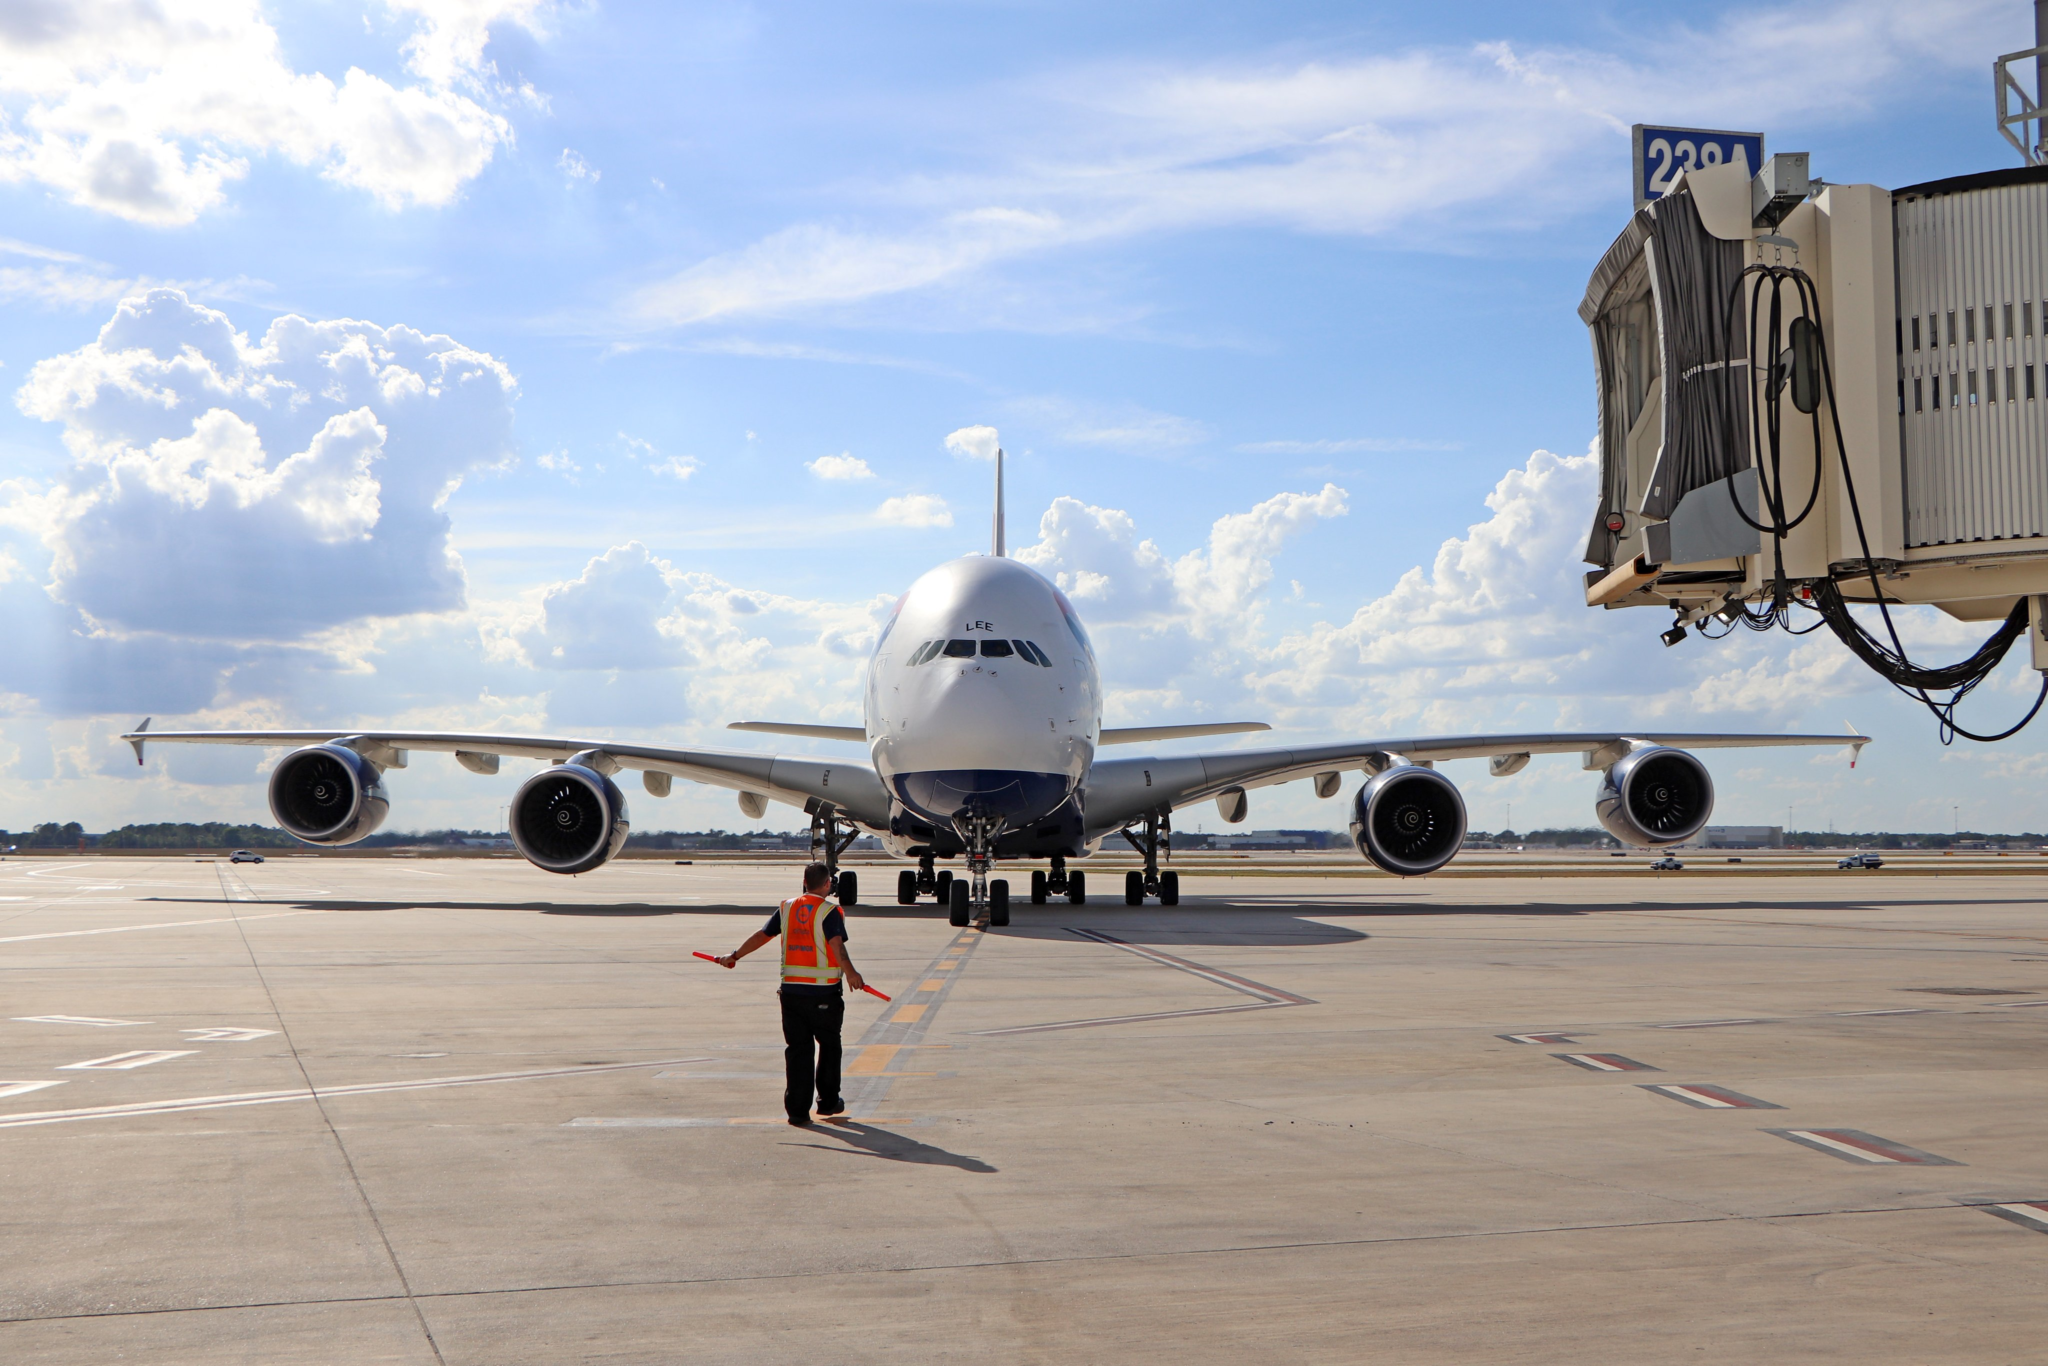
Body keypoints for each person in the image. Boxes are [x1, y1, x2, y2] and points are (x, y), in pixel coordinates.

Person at [717, 862, 867, 1126]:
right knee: (830, 1046)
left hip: (791, 994)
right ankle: (828, 1102)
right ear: (827, 884)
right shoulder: (828, 911)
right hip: (824, 993)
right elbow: (835, 944)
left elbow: (763, 935)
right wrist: (851, 972)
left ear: (804, 882)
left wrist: (735, 955)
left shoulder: (787, 908)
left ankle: (797, 1111)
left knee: (798, 1050)